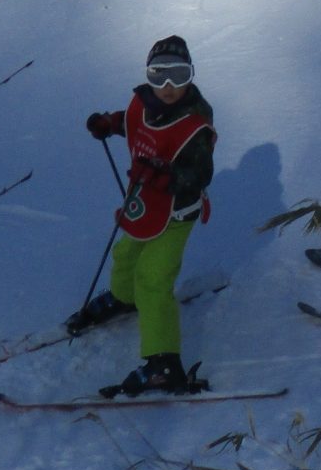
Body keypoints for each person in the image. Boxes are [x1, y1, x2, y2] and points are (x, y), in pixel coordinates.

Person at [66, 36, 217, 397]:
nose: (167, 86)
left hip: (177, 212)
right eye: (159, 74)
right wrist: (109, 123)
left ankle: (164, 363)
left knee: (153, 278)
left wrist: (168, 178)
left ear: (190, 77)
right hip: (144, 203)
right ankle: (124, 298)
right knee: (125, 255)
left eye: (178, 75)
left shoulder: (195, 124)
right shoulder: (143, 103)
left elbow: (200, 176)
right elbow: (133, 122)